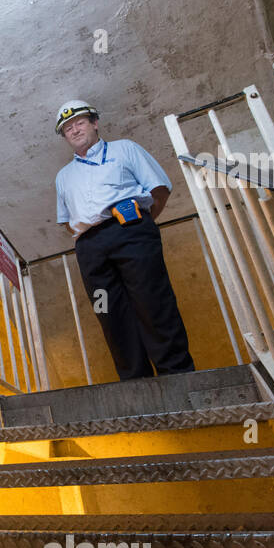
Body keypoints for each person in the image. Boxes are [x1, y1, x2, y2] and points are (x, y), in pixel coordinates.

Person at [53, 100, 194, 381]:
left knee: (152, 301)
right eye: (67, 128)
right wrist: (88, 237)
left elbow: (159, 189)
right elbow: (67, 221)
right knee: (109, 312)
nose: (74, 129)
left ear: (95, 122)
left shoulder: (124, 148)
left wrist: (142, 224)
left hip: (132, 231)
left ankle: (177, 375)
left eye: (79, 122)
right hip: (90, 247)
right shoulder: (63, 176)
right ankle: (135, 381)